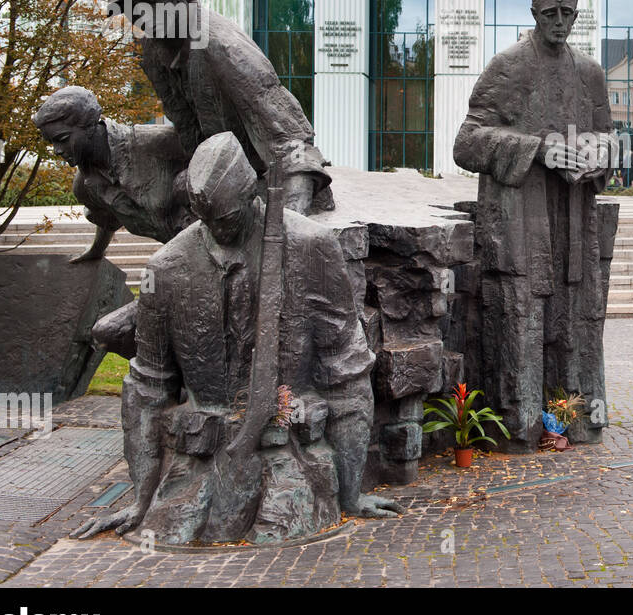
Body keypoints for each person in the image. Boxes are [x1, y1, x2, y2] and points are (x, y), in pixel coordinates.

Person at [72, 133, 400, 545]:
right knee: (170, 530)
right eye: (206, 220)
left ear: (252, 196)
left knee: (280, 526)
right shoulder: (167, 269)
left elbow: (346, 373)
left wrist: (351, 493)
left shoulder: (311, 247)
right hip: (197, 462)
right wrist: (141, 496)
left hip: (290, 460)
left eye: (226, 219)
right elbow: (147, 387)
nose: (217, 230)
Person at [453, 0, 618, 453]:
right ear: (534, 14)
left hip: (574, 217)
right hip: (522, 219)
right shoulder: (509, 65)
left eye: (569, 14)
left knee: (574, 321)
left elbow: (608, 137)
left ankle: (575, 419)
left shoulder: (590, 73)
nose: (561, 23)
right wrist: (537, 150)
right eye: (552, 14)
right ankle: (522, 425)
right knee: (522, 317)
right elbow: (467, 143)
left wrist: (596, 155)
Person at [101, 0, 332, 214]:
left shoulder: (221, 46)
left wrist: (292, 219)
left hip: (270, 184)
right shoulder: (153, 51)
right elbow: (187, 130)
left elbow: (292, 143)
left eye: (151, 4)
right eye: (132, 10)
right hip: (219, 180)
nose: (144, 18)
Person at [33, 86, 193, 262]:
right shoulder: (85, 187)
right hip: (186, 254)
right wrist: (96, 250)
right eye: (52, 143)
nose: (56, 150)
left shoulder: (153, 142)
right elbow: (107, 219)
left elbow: (217, 153)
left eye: (62, 139)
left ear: (89, 125)